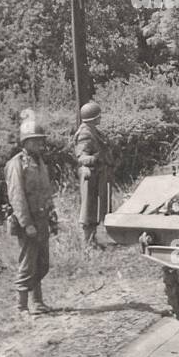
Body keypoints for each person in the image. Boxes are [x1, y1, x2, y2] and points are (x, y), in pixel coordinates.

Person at [5, 110, 57, 316]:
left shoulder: (39, 162)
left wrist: (52, 217)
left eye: (39, 141)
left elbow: (46, 191)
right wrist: (27, 223)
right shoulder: (16, 164)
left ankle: (38, 302)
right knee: (27, 264)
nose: (38, 145)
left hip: (42, 218)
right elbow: (16, 196)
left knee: (42, 263)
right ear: (24, 142)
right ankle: (21, 306)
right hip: (28, 222)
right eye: (33, 141)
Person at [74, 101, 115, 248]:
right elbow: (81, 157)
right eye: (98, 115)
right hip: (91, 177)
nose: (101, 118)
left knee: (97, 208)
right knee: (89, 209)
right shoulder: (85, 133)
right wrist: (96, 158)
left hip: (99, 177)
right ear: (92, 118)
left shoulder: (94, 131)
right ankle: (87, 243)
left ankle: (94, 240)